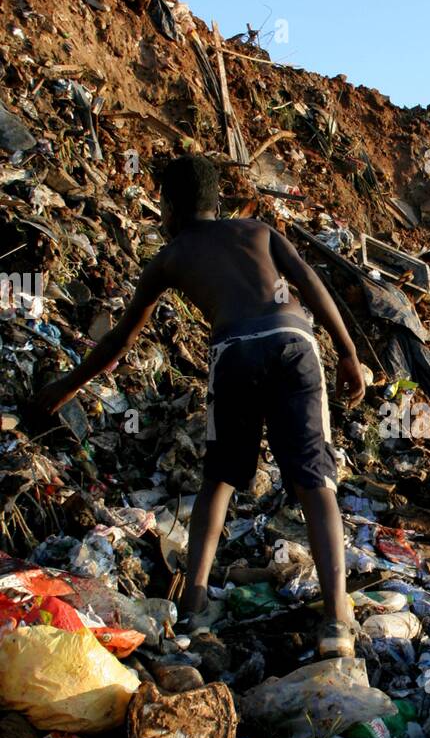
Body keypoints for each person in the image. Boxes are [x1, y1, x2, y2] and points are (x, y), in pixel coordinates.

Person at [35, 155, 366, 656]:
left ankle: (194, 603)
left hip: (235, 351)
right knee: (314, 480)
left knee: (221, 481)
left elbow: (119, 342)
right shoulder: (258, 230)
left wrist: (64, 388)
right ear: (217, 202)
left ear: (169, 207)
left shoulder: (171, 256)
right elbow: (310, 282)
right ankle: (337, 620)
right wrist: (348, 352)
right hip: (293, 343)